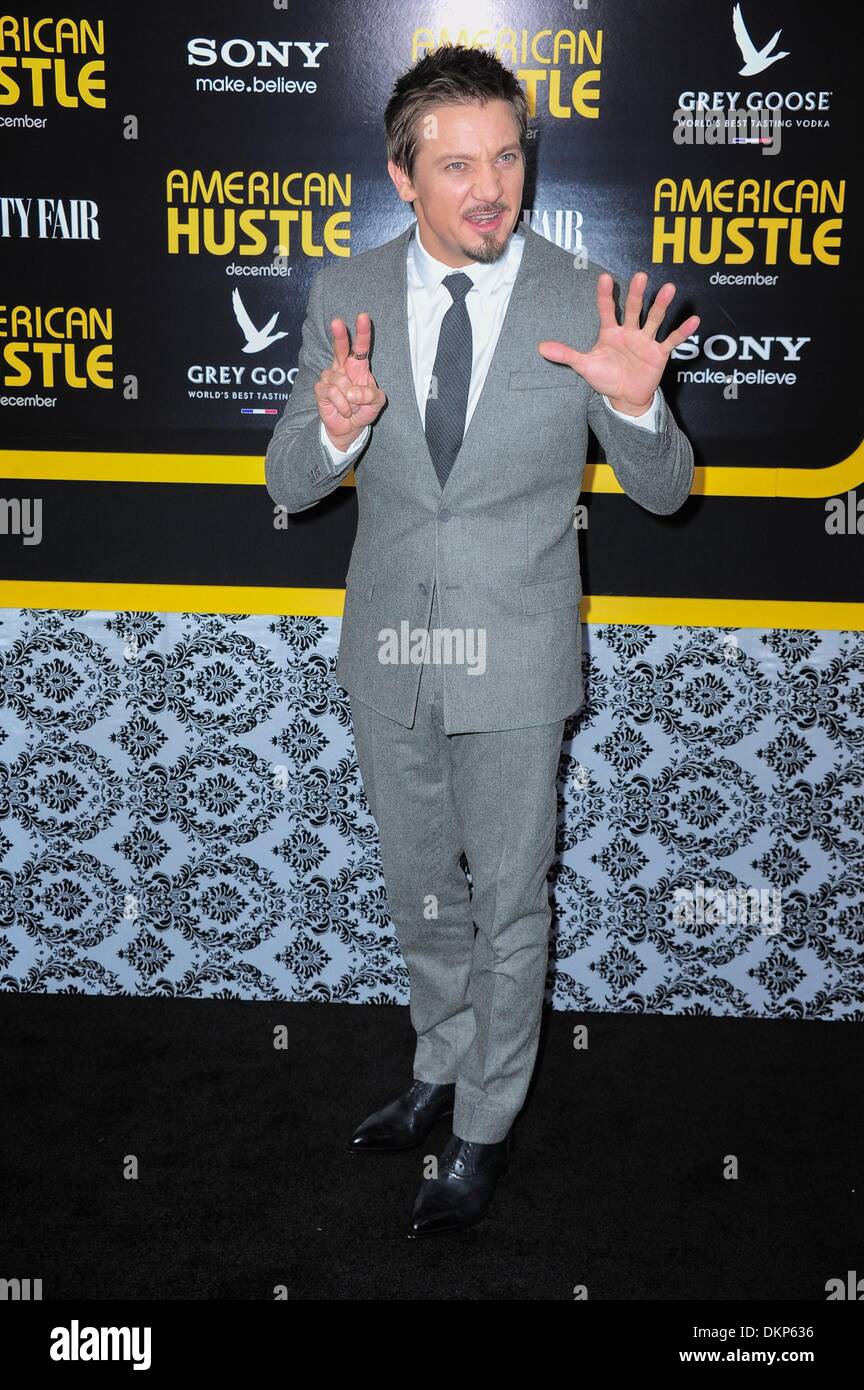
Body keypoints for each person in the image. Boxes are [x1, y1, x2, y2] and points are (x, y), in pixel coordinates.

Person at [265, 43, 698, 1237]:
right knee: (425, 893)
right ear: (403, 177)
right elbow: (288, 481)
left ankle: (484, 1127)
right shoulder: (344, 295)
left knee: (509, 903)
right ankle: (440, 1060)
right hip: (390, 650)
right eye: (458, 165)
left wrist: (633, 403)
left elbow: (667, 492)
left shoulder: (583, 294)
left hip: (515, 653)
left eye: (507, 157)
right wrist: (337, 435)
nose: (490, 187)